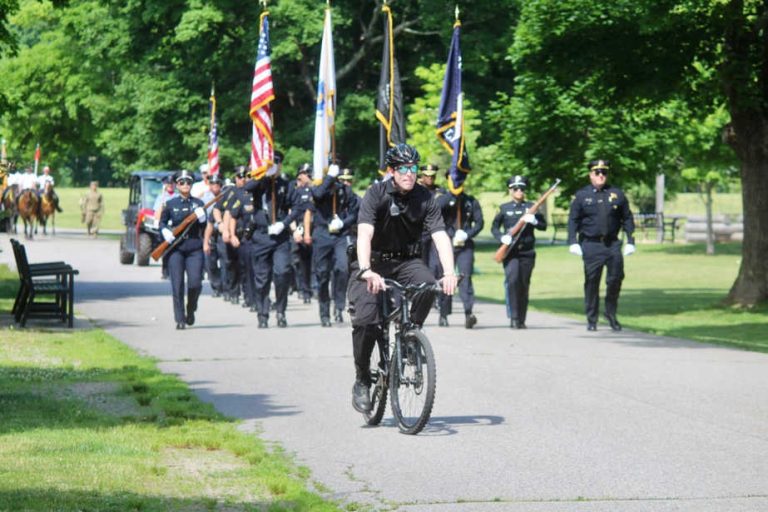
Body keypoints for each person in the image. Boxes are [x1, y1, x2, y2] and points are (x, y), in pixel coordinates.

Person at [347, 143, 458, 413]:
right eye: (404, 169)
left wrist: (449, 272)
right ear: (392, 171)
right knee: (366, 322)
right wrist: (365, 270)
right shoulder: (376, 193)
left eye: (413, 169)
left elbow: (440, 236)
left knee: (430, 286)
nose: (410, 174)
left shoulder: (425, 198)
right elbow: (364, 234)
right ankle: (362, 379)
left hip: (406, 261)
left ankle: (409, 334)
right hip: (372, 262)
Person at [567, 159, 636, 331]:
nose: (600, 176)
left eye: (603, 172)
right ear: (590, 175)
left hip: (612, 244)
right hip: (591, 244)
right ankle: (592, 319)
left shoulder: (616, 194)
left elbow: (627, 218)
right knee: (592, 282)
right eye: (597, 173)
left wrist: (631, 240)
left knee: (615, 279)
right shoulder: (582, 196)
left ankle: (611, 314)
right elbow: (573, 220)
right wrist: (573, 242)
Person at [491, 175, 547, 328]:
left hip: (527, 252)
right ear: (510, 190)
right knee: (513, 281)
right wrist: (502, 238)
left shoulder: (531, 207)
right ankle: (514, 317)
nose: (519, 191)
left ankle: (522, 319)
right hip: (510, 253)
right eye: (516, 189)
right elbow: (494, 227)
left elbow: (544, 226)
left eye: (522, 188)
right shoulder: (504, 208)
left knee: (523, 284)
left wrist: (534, 220)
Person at [310, 162, 360, 326]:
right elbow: (317, 195)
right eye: (341, 179)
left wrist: (343, 223)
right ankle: (324, 312)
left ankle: (339, 306)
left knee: (342, 268)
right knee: (322, 274)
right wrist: (329, 177)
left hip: (340, 234)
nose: (346, 182)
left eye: (348, 180)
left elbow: (354, 212)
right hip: (322, 233)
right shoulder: (322, 187)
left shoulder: (347, 191)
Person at [160, 170, 207, 330]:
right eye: (181, 182)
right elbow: (162, 223)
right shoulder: (170, 204)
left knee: (195, 283)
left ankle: (191, 308)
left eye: (188, 182)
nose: (185, 185)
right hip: (176, 248)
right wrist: (165, 232)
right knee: (177, 284)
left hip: (194, 247)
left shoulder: (198, 204)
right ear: (177, 185)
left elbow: (205, 227)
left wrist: (203, 219)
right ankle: (179, 318)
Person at [434, 176, 484, 329]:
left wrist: (467, 234)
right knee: (446, 278)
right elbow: (435, 219)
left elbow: (480, 222)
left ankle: (468, 313)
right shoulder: (442, 200)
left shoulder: (470, 201)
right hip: (446, 244)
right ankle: (443, 314)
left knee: (465, 277)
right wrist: (449, 233)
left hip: (465, 245)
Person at [289, 163, 315, 304]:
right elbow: (291, 211)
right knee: (298, 262)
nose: (305, 176)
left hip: (315, 228)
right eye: (304, 173)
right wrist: (295, 231)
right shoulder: (296, 192)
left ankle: (312, 288)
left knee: (314, 262)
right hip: (299, 228)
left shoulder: (317, 190)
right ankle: (302, 289)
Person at [202, 173, 224, 297]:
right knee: (210, 263)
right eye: (212, 183)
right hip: (209, 233)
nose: (214, 186)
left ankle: (226, 287)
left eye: (217, 184)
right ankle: (216, 286)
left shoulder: (226, 196)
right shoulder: (204, 198)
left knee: (226, 262)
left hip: (222, 232)